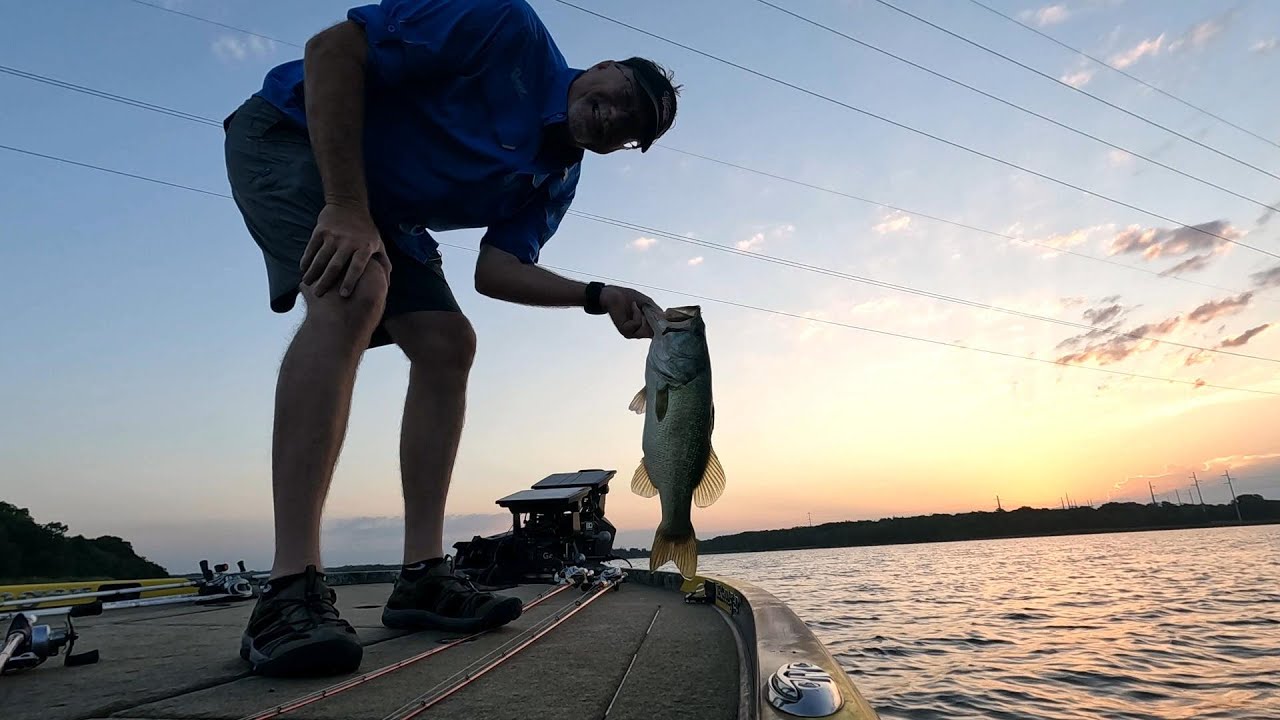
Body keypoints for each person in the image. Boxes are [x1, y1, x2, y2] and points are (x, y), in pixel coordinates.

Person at [221, 0, 680, 677]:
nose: (616, 119)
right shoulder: (505, 27)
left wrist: (598, 296)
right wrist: (346, 208)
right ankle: (288, 589)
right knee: (356, 289)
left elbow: (498, 271)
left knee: (448, 342)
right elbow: (330, 52)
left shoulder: (556, 176)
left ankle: (422, 576)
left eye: (631, 129)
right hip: (292, 133)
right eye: (623, 99)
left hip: (388, 214)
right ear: (605, 66)